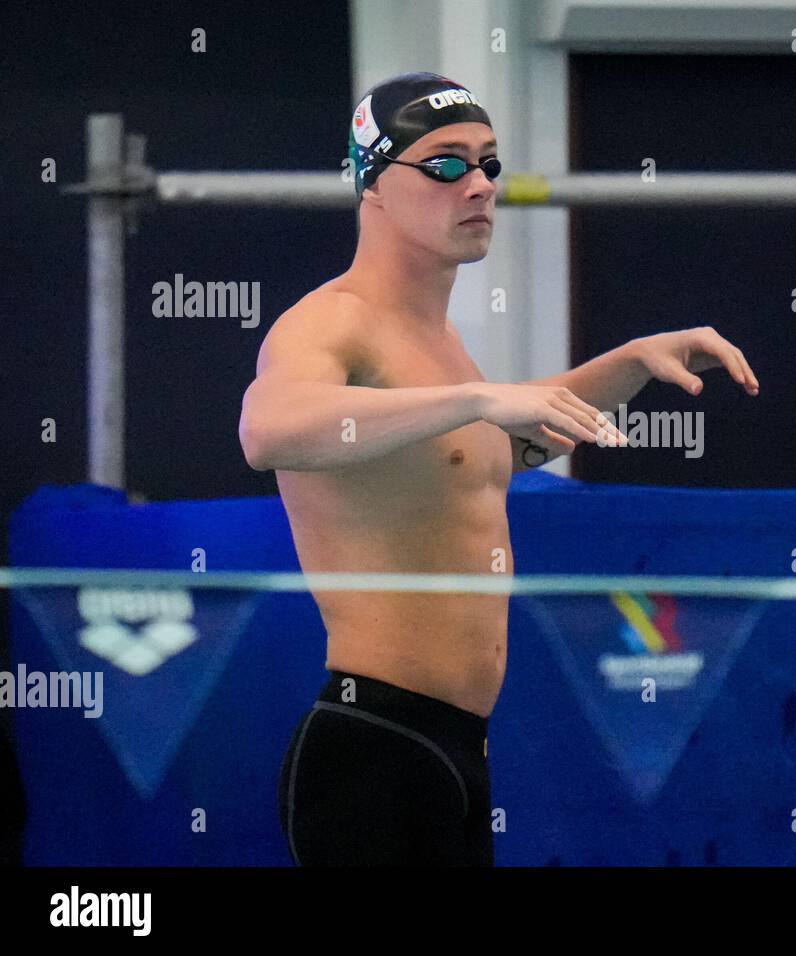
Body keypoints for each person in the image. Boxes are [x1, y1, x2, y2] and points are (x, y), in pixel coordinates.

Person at [239, 72, 759, 865]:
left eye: (488, 163)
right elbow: (267, 431)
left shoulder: (441, 348)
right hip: (371, 748)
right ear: (373, 183)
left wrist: (630, 363)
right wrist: (475, 399)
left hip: (457, 746)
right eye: (446, 164)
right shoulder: (332, 322)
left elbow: (501, 447)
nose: (478, 185)